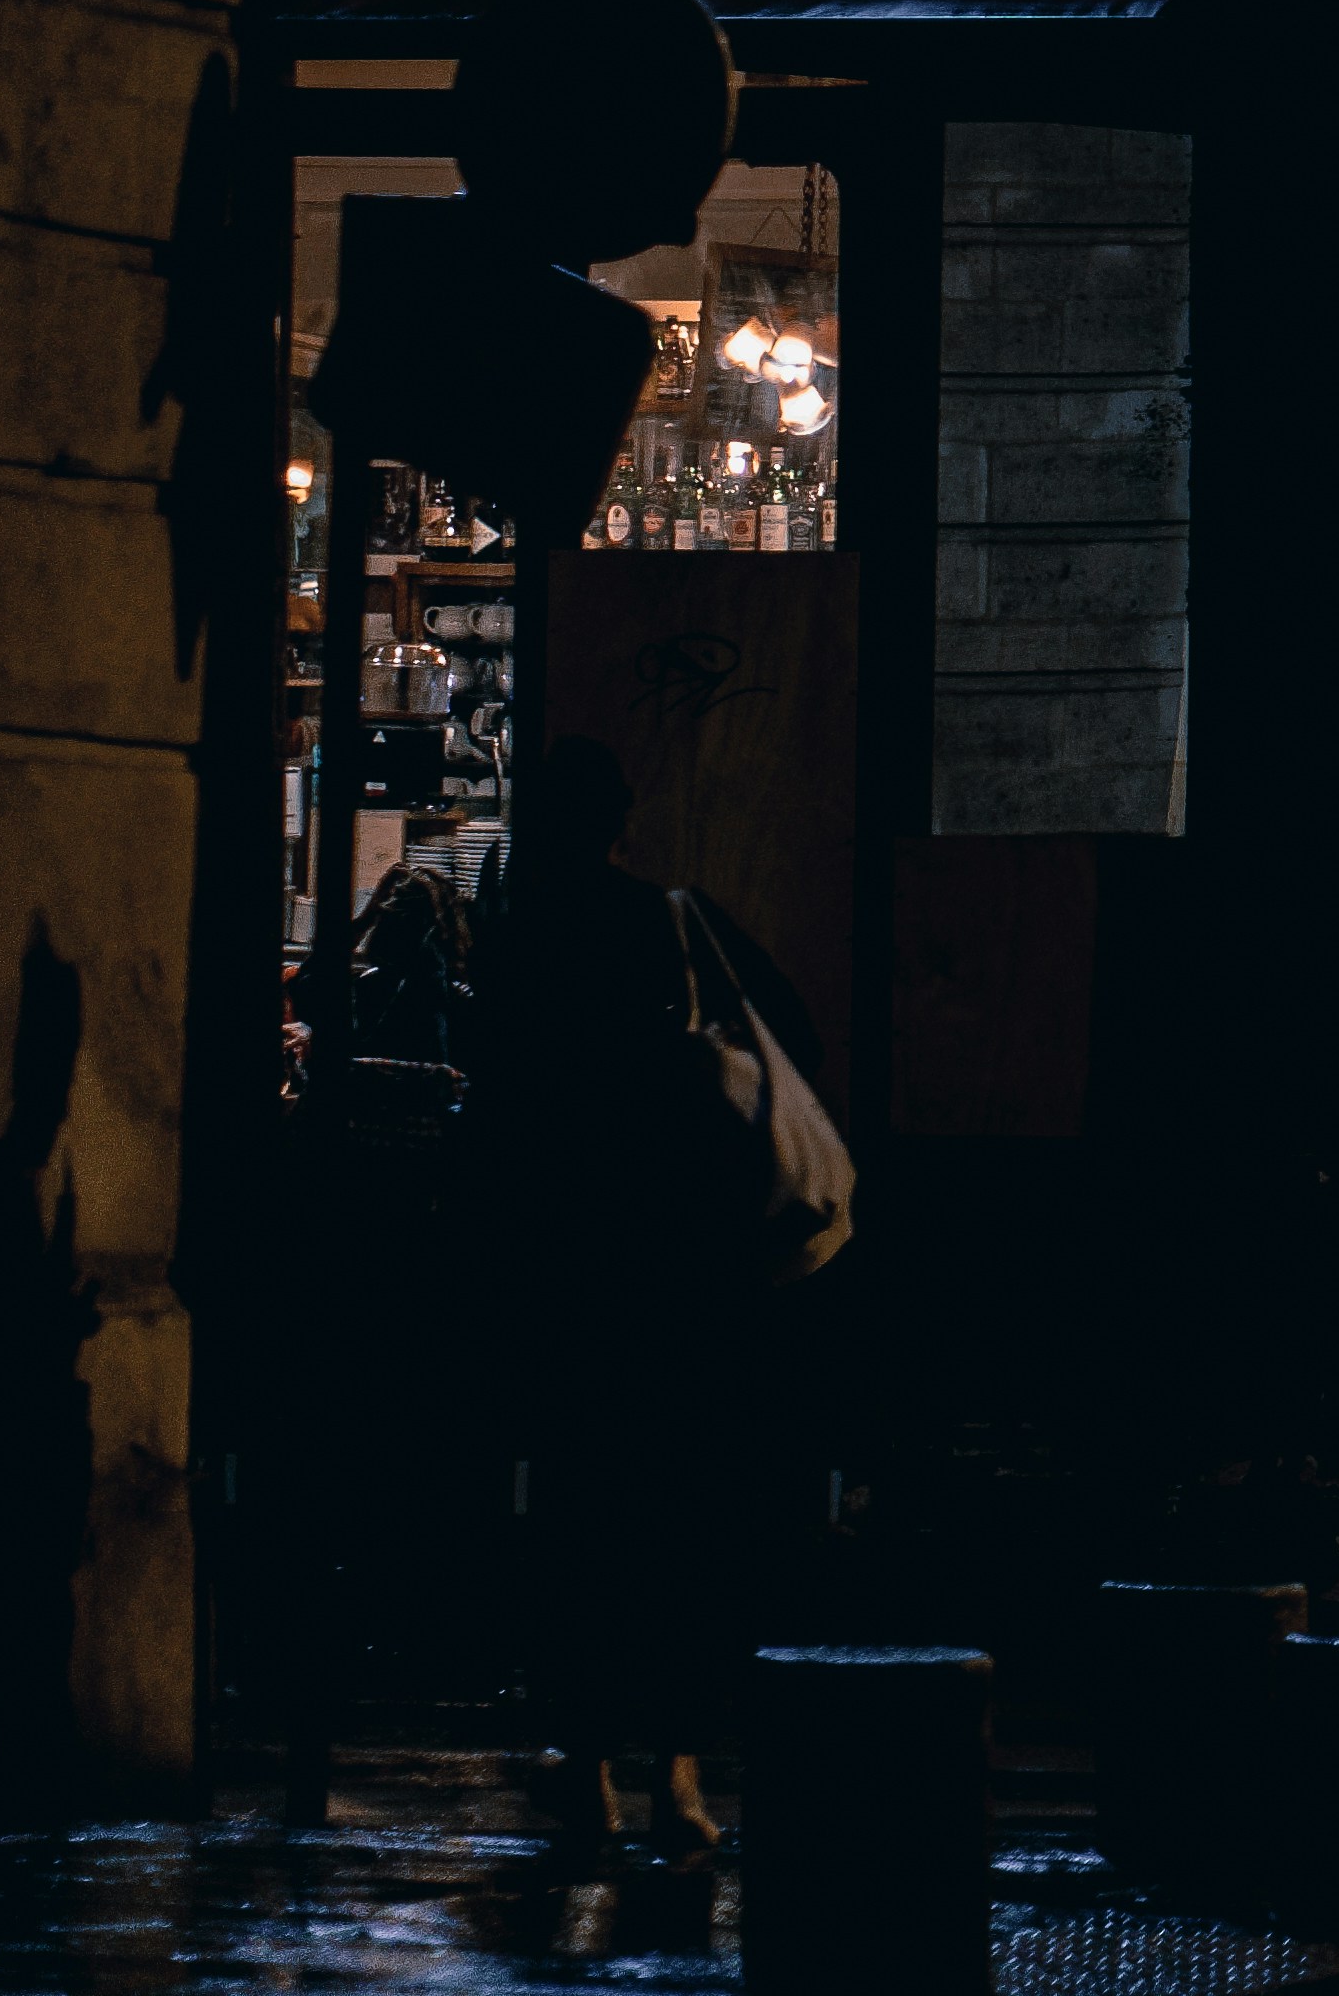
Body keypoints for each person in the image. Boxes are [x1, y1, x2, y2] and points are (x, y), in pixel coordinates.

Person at [482, 736, 837, 1866]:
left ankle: (586, 1772)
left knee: (577, 1529)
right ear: (622, 821)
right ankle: (678, 1780)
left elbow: (496, 1126)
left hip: (567, 1286)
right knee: (682, 1528)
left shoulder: (515, 942)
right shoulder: (671, 921)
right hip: (681, 1281)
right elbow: (798, 1046)